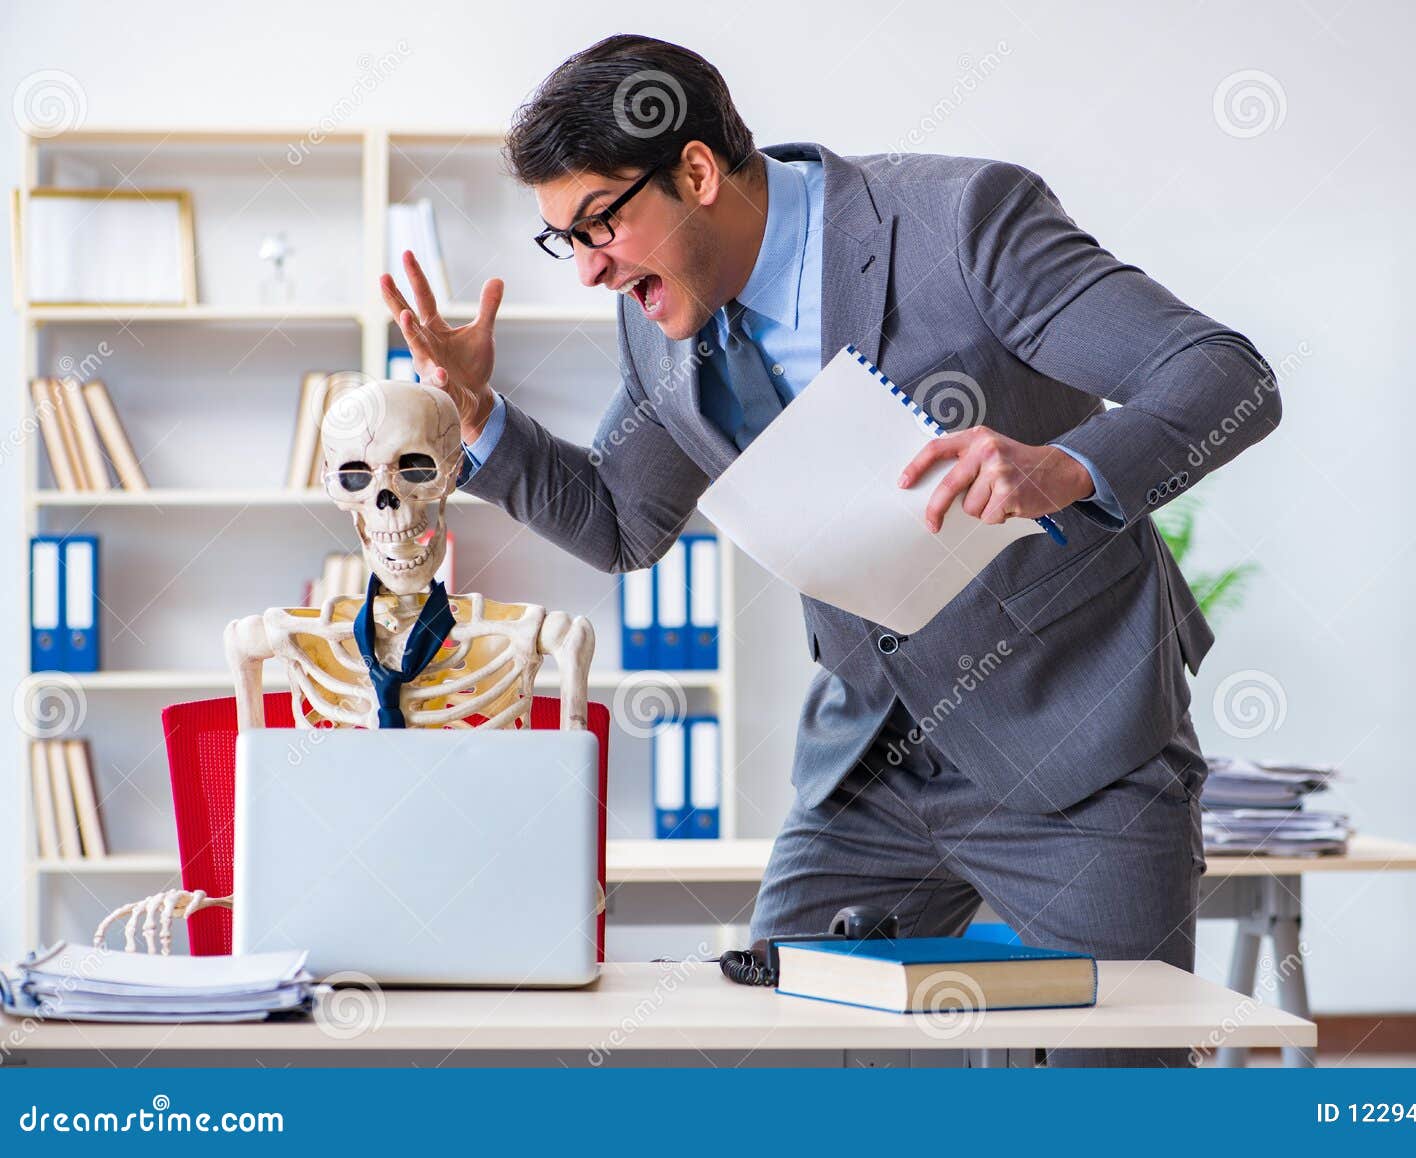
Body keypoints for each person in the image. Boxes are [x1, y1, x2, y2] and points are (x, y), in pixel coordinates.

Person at [380, 33, 1281, 1066]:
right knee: (775, 1067)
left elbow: (1223, 375)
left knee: (1110, 1104)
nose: (588, 267)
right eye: (563, 240)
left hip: (1078, 746)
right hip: (872, 769)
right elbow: (621, 524)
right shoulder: (660, 318)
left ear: (698, 172)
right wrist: (476, 420)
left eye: (600, 223)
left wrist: (1067, 468)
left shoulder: (962, 224)